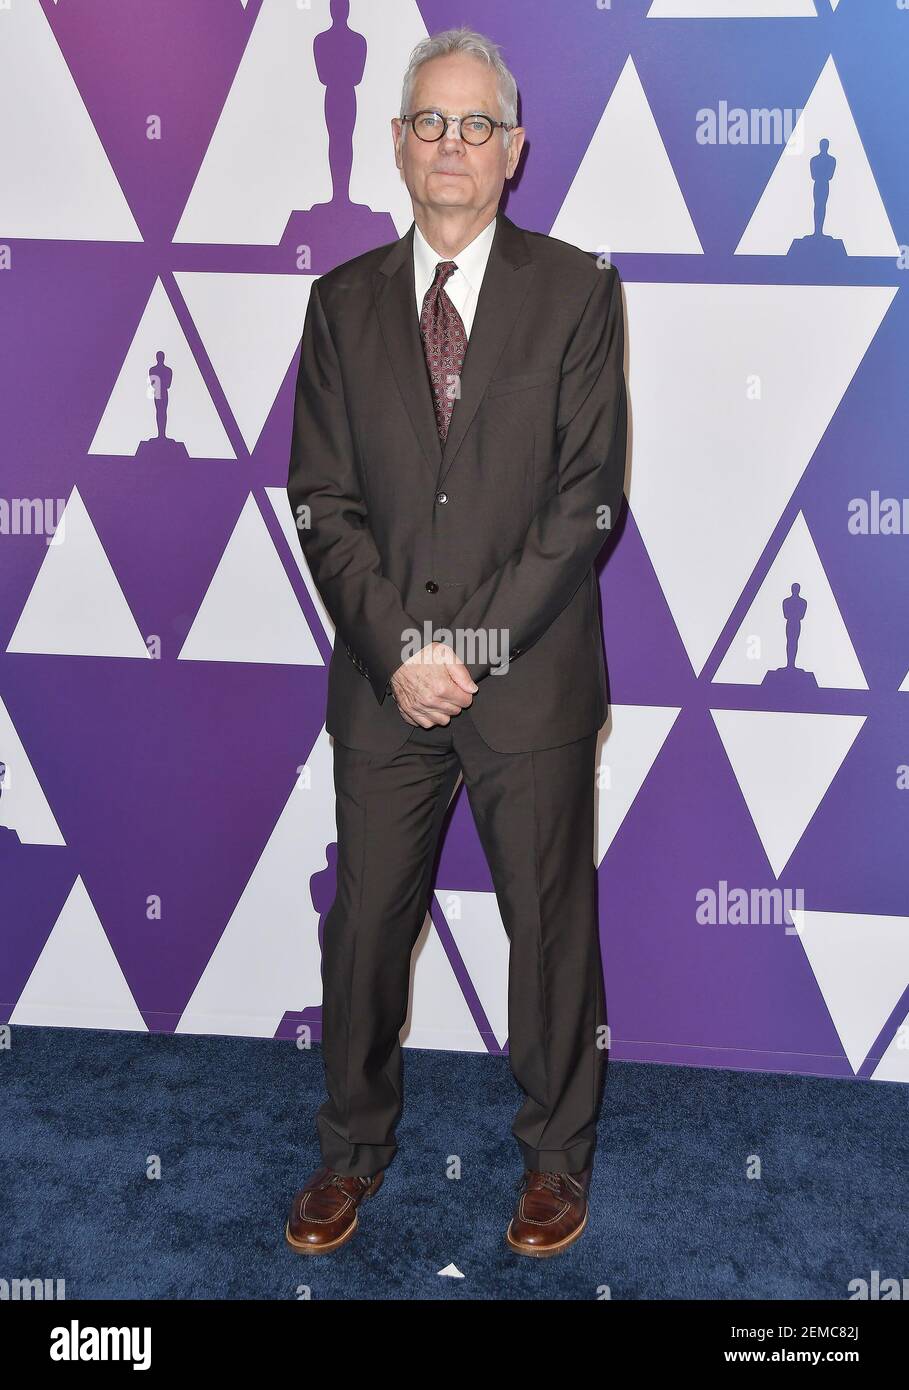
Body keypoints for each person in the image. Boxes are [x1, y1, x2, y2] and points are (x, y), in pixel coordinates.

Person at [285, 25, 627, 1258]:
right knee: (365, 924)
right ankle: (351, 1150)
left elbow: (589, 496)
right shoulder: (339, 306)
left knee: (548, 928)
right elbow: (321, 500)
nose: (452, 147)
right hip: (386, 686)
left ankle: (553, 1160)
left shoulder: (580, 291)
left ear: (514, 151)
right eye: (430, 122)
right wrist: (402, 650)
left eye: (477, 125)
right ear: (395, 143)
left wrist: (465, 648)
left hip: (523, 677)